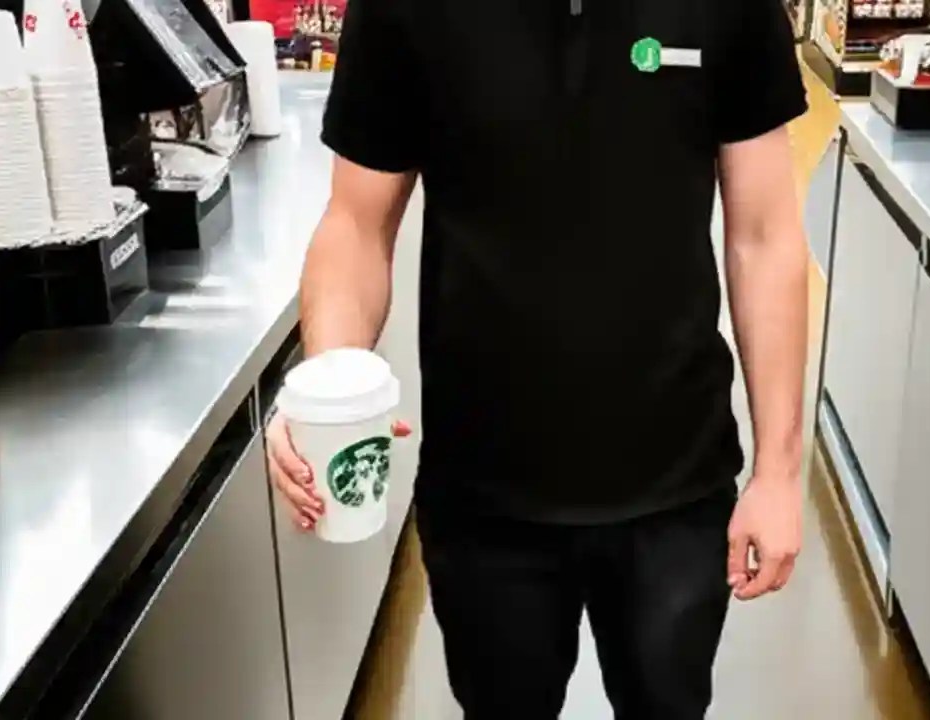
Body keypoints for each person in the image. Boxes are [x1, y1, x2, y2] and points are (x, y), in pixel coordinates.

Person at [267, 0, 810, 716]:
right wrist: (325, 389)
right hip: (485, 497)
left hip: (676, 488)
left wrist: (779, 471)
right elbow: (356, 225)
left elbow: (765, 238)